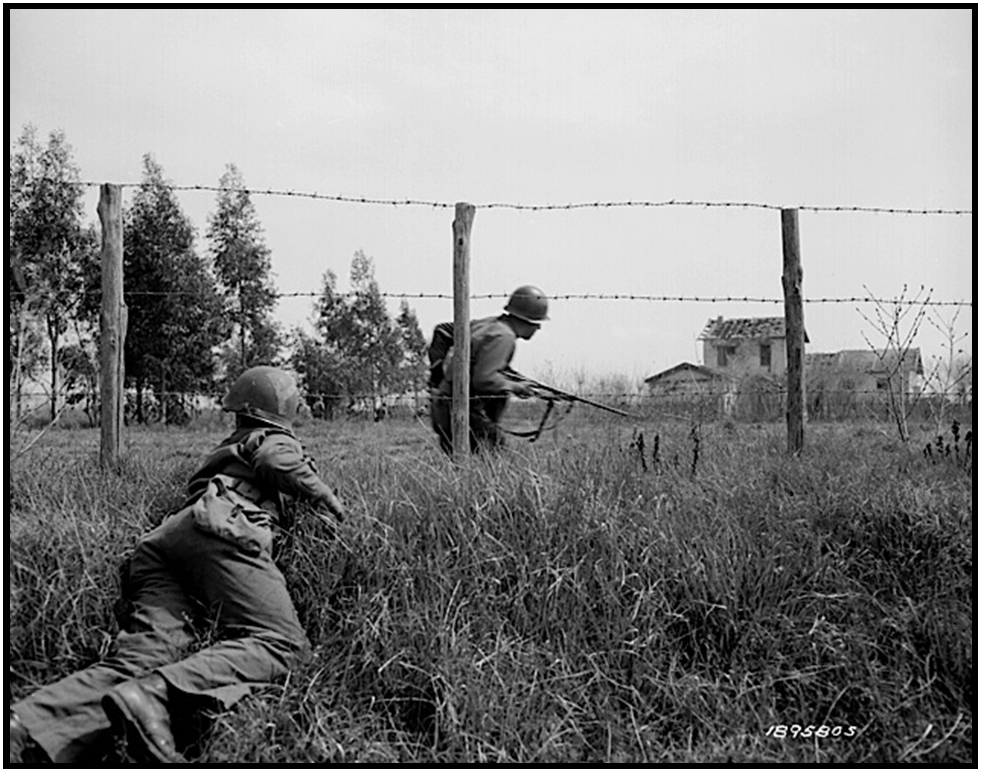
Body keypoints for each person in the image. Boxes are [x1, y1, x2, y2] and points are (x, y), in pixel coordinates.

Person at [8, 366, 345, 765]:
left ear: (237, 411)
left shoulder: (226, 447)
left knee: (147, 655)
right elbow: (276, 459)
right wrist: (330, 500)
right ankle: (154, 696)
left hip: (165, 541)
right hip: (223, 526)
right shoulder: (271, 437)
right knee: (284, 644)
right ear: (285, 413)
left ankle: (24, 726)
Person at [428, 285, 548, 455]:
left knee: (461, 469)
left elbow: (442, 332)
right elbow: (484, 378)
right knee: (496, 460)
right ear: (527, 320)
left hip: (446, 407)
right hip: (462, 412)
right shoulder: (504, 336)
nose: (538, 329)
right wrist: (518, 387)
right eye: (537, 323)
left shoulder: (489, 325)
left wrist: (437, 378)